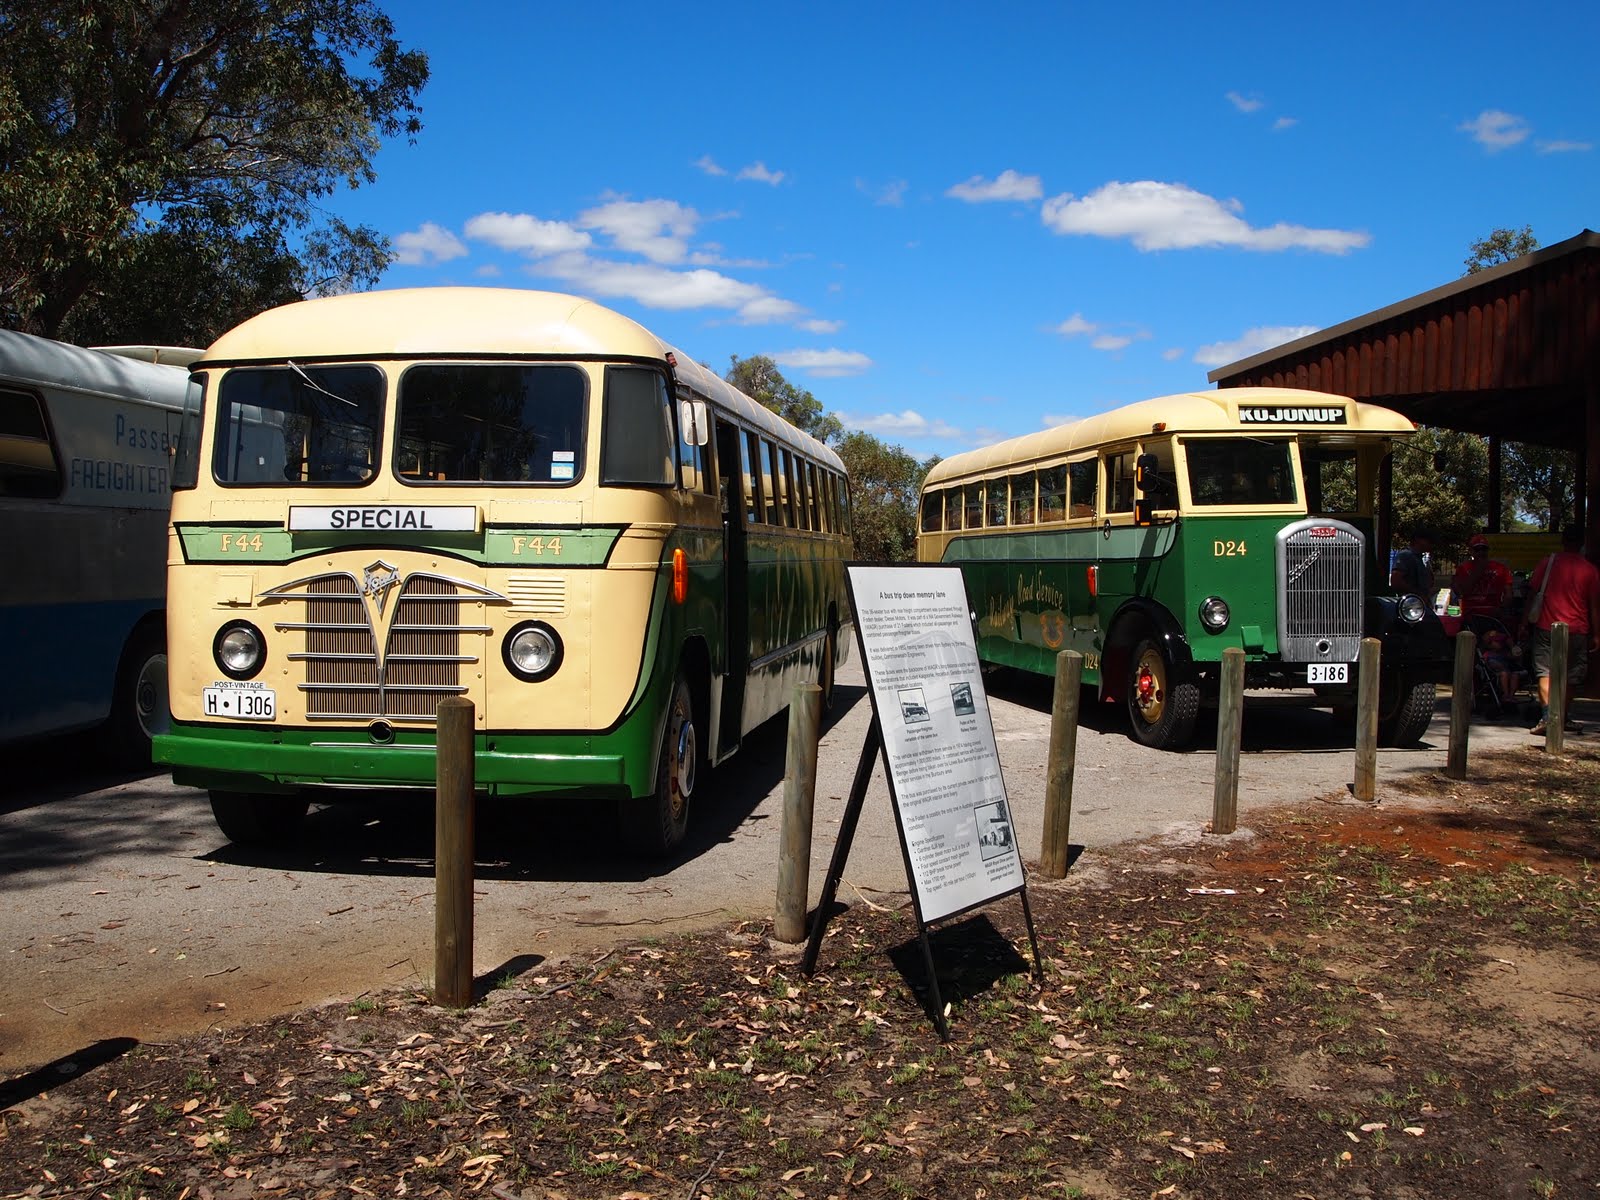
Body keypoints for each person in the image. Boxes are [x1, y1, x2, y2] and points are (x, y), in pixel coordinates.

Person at [1524, 524, 1600, 735]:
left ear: (1563, 541)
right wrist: (1596, 634)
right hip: (1577, 628)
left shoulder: (1547, 564)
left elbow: (1532, 594)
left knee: (1545, 672)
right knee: (1572, 676)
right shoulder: (1590, 570)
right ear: (1582, 543)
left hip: (1546, 626)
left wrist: (1523, 623)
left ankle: (1548, 717)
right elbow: (1594, 604)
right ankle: (1562, 717)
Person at [1451, 533, 1514, 619]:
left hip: (1492, 613)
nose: (1481, 552)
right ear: (1471, 551)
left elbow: (1509, 594)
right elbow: (1461, 592)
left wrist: (1501, 609)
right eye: (1477, 549)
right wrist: (1478, 571)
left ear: (1487, 551)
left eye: (1483, 549)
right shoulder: (1463, 568)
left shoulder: (1501, 568)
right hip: (1470, 614)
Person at [1389, 526, 1436, 600]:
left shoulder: (1422, 559)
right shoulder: (1406, 556)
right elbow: (1396, 581)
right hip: (1410, 602)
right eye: (1428, 541)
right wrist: (1417, 593)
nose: (1431, 545)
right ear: (1418, 540)